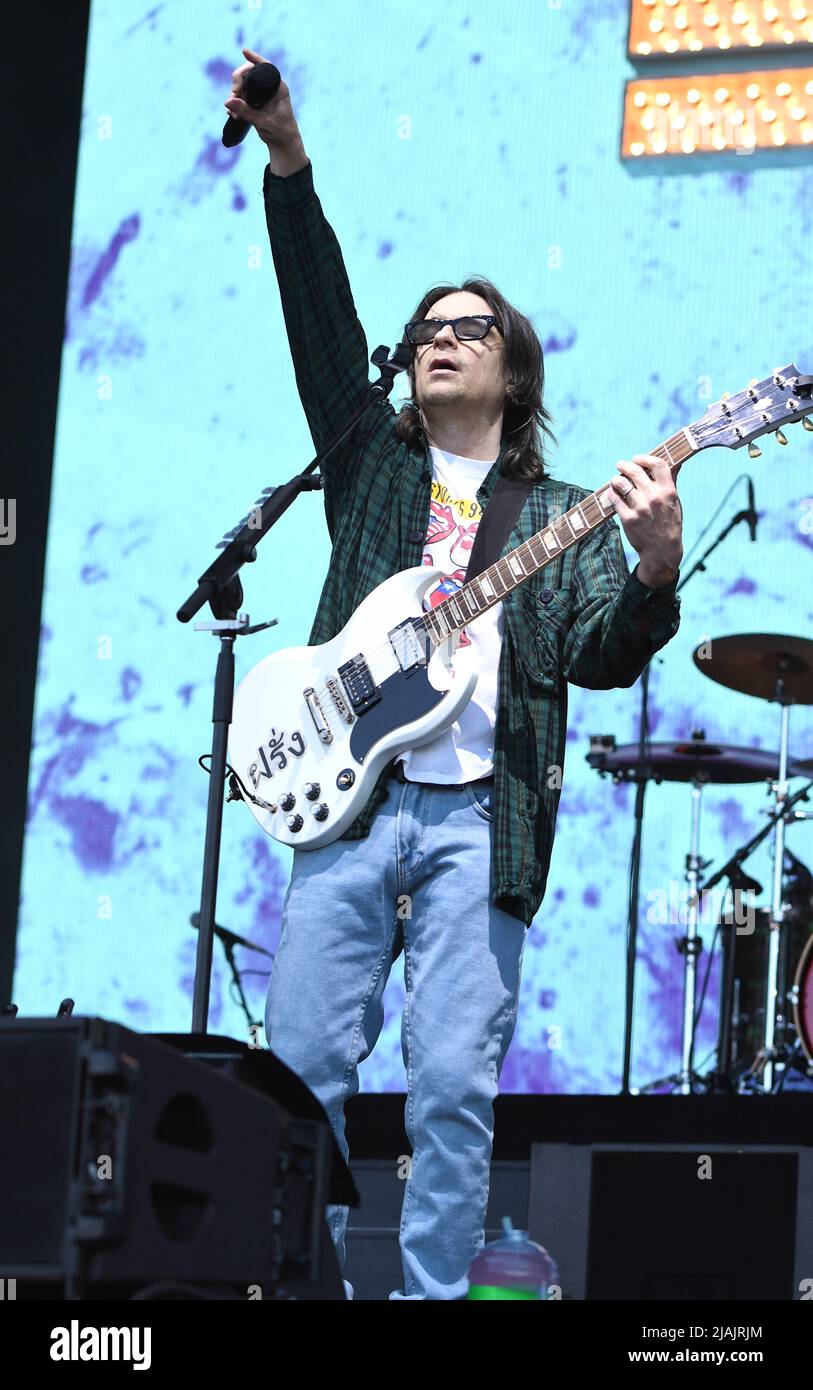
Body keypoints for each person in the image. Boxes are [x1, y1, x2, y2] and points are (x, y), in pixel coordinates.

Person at [225, 49, 683, 1300]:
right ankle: (295, 1290)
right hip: (351, 808)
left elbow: (598, 654)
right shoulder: (375, 469)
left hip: (482, 823)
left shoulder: (567, 512)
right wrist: (287, 156)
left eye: (464, 328)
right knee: (302, 1074)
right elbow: (320, 312)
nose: (436, 341)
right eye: (425, 329)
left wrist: (650, 571)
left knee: (450, 1097)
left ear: (513, 369)